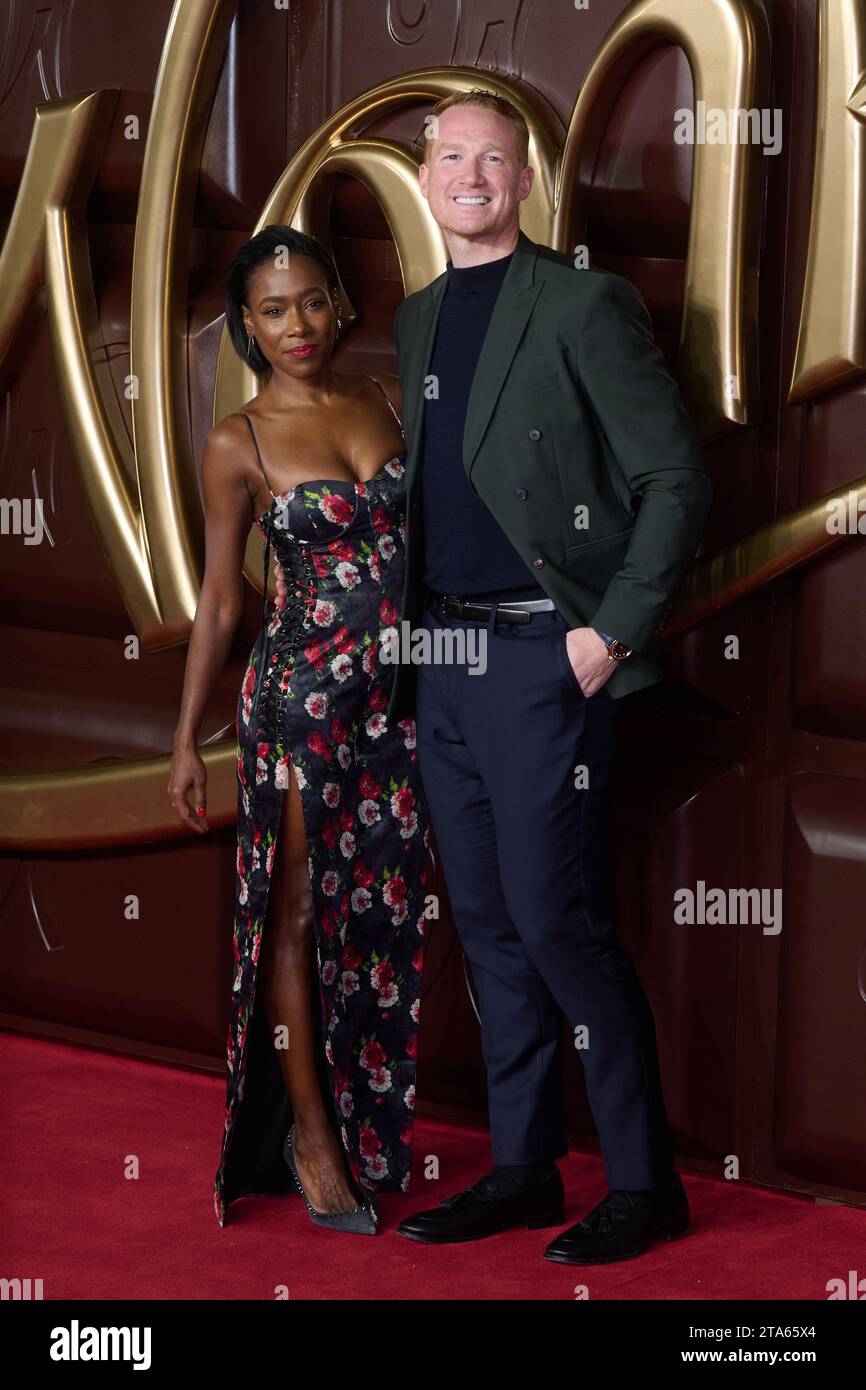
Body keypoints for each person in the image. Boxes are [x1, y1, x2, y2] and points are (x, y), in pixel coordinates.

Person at [386, 90, 714, 1264]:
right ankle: (523, 1170)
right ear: (425, 177)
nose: (469, 175)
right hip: (446, 659)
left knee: (557, 922)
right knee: (484, 926)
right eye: (450, 158)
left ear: (524, 181)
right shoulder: (419, 316)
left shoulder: (581, 304)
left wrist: (608, 633)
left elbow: (674, 480)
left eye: (493, 158)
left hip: (544, 655)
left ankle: (643, 1183)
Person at [168, 225, 431, 1235]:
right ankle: (310, 1137)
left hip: (396, 705)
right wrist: (187, 738)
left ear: (339, 303)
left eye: (312, 300)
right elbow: (224, 604)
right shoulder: (238, 439)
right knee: (295, 915)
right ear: (245, 324)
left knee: (380, 913)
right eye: (273, 310)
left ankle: (366, 1121)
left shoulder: (387, 400)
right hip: (295, 708)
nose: (297, 325)